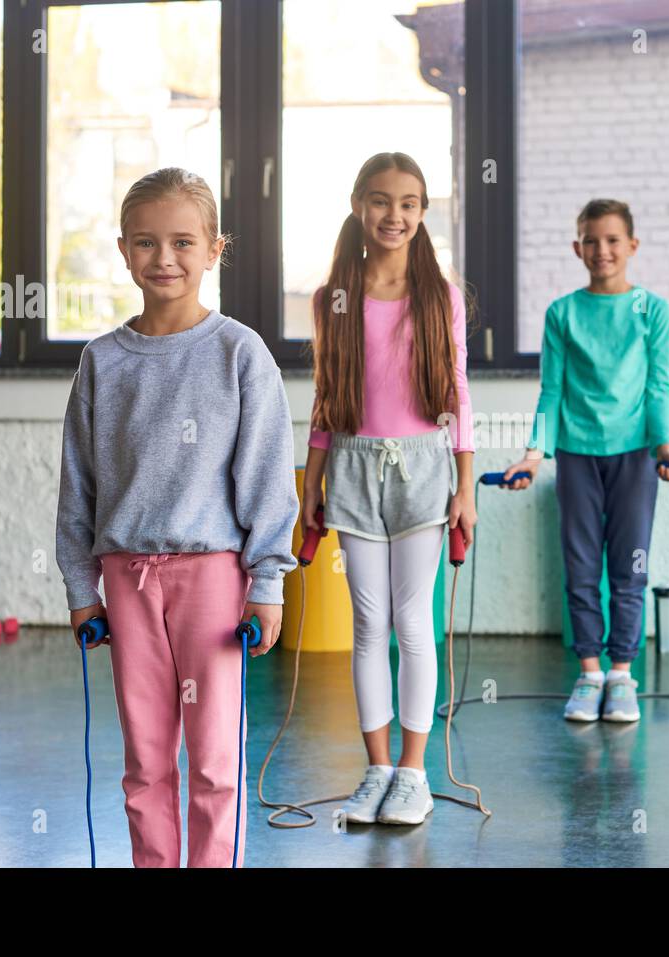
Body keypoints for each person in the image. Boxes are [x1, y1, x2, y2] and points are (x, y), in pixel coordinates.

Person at [55, 167, 299, 866]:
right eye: (146, 243)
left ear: (216, 249)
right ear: (124, 250)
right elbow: (79, 488)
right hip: (125, 582)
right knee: (145, 760)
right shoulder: (101, 361)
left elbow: (264, 479)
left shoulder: (239, 353)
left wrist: (268, 581)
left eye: (183, 242)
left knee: (216, 762)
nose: (164, 258)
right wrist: (81, 590)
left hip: (214, 583)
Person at [301, 151, 475, 826]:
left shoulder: (441, 296)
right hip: (351, 468)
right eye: (379, 200)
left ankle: (414, 772)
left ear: (424, 212)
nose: (393, 214)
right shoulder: (331, 298)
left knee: (412, 621)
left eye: (407, 202)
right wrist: (312, 483)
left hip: (425, 469)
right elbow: (326, 396)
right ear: (357, 206)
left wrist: (466, 484)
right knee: (368, 623)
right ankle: (376, 769)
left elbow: (459, 391)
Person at [502, 198, 669, 723]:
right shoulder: (562, 314)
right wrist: (534, 453)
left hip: (635, 457)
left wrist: (665, 447)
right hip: (578, 457)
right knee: (582, 568)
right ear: (577, 247)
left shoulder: (653, 311)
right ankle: (589, 673)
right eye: (591, 240)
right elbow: (552, 391)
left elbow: (658, 386)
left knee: (630, 566)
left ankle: (622, 674)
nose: (601, 250)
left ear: (632, 246)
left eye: (612, 240)